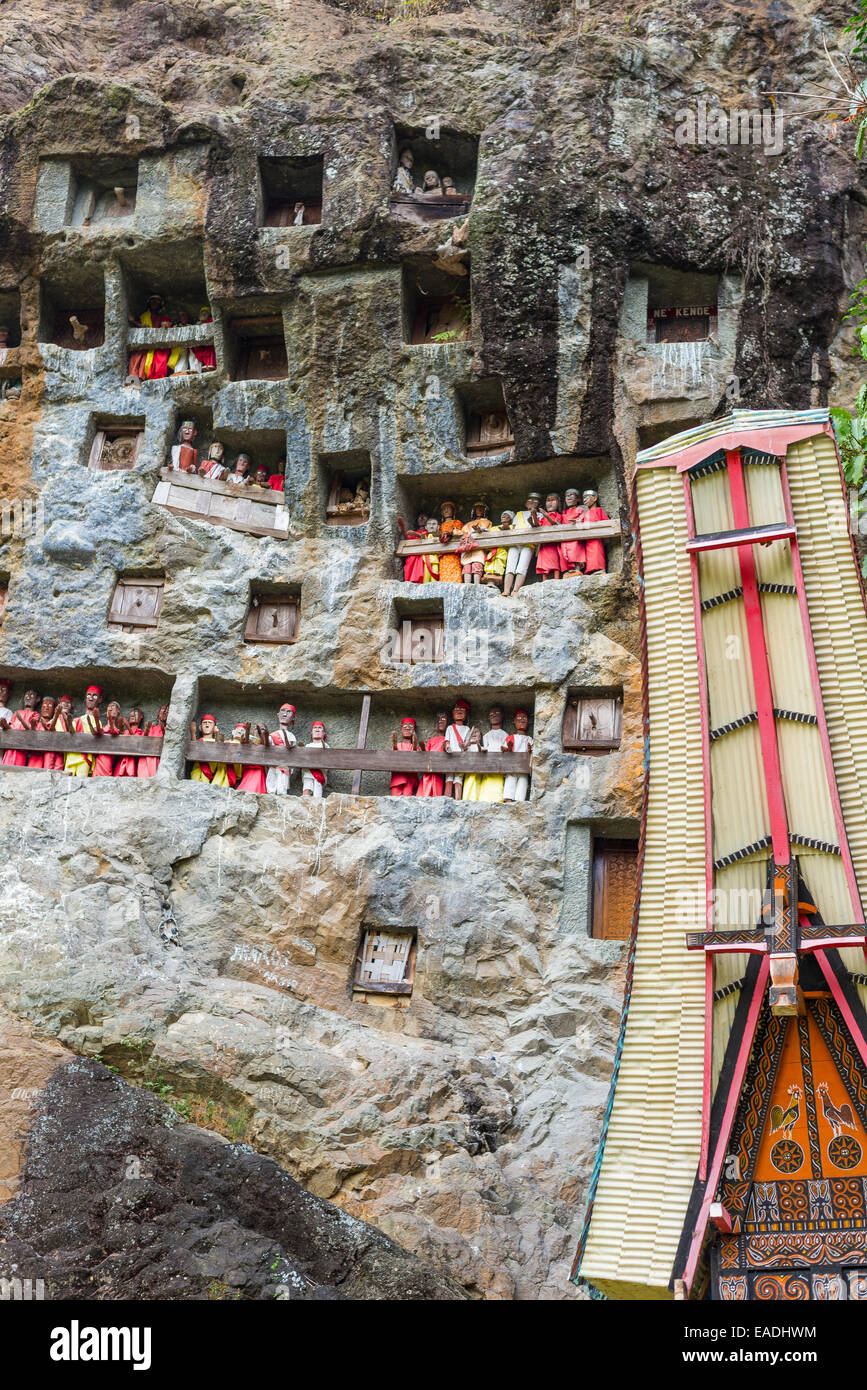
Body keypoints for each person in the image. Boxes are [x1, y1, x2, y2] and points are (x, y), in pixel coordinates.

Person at [503, 493, 542, 596]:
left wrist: (534, 516)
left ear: (539, 504)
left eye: (535, 500)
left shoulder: (540, 514)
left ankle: (515, 590)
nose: (532, 502)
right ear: (525, 503)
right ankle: (506, 589)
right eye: (530, 500)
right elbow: (513, 526)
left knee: (522, 567)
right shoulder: (519, 514)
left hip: (529, 543)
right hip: (515, 541)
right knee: (510, 565)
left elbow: (538, 527)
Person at [65, 685, 102, 777]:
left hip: (85, 756)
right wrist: (69, 722)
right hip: (72, 755)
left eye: (95, 696)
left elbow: (96, 733)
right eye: (88, 696)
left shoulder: (97, 721)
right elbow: (71, 731)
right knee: (66, 781)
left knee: (81, 780)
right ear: (85, 698)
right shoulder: (77, 720)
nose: (91, 698)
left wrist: (92, 722)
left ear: (100, 699)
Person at [190, 714, 234, 788]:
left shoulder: (216, 741)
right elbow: (194, 748)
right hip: (198, 768)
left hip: (210, 769)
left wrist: (217, 735)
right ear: (200, 727)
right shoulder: (200, 741)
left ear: (214, 728)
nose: (207, 725)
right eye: (204, 723)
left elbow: (219, 748)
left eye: (210, 723)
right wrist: (193, 733)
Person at [0, 688, 39, 766]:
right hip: (11, 746)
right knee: (6, 765)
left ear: (37, 699)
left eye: (31, 696)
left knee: (17, 766)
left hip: (22, 747)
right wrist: (4, 724)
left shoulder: (35, 714)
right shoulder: (17, 712)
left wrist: (21, 719)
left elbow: (30, 729)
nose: (28, 698)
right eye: (26, 696)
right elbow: (11, 728)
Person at [266, 703, 297, 795]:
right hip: (272, 765)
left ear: (293, 717)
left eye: (288, 712)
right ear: (278, 715)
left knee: (282, 789)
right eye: (282, 711)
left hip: (284, 767)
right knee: (270, 788)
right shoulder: (272, 735)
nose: (284, 714)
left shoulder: (292, 736)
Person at [458, 502, 492, 585]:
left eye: (482, 508)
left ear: (485, 511)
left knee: (477, 564)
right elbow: (462, 533)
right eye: (477, 508)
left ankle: (477, 585)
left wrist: (480, 531)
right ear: (473, 510)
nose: (479, 510)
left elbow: (490, 533)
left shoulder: (488, 522)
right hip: (468, 547)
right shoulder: (468, 524)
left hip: (479, 546)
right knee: (466, 566)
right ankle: (467, 585)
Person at [444, 698, 471, 800]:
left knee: (458, 778)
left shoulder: (467, 729)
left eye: (462, 710)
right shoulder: (450, 728)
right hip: (450, 756)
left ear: (466, 714)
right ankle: (447, 797)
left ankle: (458, 799)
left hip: (461, 756)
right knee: (449, 777)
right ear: (453, 713)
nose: (459, 712)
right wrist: (447, 747)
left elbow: (468, 743)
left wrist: (465, 746)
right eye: (457, 710)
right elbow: (447, 741)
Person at [504, 709, 533, 802]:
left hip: (524, 769)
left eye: (525, 718)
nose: (522, 720)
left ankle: (519, 806)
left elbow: (532, 753)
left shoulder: (529, 739)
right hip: (511, 768)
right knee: (509, 788)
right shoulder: (510, 737)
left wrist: (529, 751)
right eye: (519, 718)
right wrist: (508, 748)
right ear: (514, 721)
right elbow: (504, 751)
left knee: (521, 790)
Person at [417, 711, 448, 797]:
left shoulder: (447, 740)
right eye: (438, 719)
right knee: (424, 789)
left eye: (443, 719)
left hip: (439, 770)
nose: (440, 721)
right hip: (428, 770)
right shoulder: (431, 740)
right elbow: (426, 752)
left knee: (436, 789)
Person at [535, 492, 563, 581]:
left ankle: (557, 579)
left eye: (553, 500)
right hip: (544, 544)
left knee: (555, 562)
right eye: (548, 500)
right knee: (543, 564)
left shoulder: (558, 515)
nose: (550, 503)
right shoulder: (542, 518)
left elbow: (556, 524)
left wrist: (547, 516)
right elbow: (537, 526)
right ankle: (544, 581)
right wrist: (534, 516)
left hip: (554, 544)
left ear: (558, 503)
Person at [92, 700, 125, 777]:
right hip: (98, 761)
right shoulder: (102, 728)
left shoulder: (118, 729)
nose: (110, 709)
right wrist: (96, 720)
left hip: (107, 760)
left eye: (113, 707)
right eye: (109, 707)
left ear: (118, 711)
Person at [580, 488, 610, 574]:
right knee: (589, 555)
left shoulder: (599, 510)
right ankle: (592, 570)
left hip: (597, 538)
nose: (584, 500)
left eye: (587, 497)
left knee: (597, 552)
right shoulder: (585, 514)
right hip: (588, 539)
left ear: (595, 498)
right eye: (583, 498)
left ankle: (600, 568)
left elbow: (606, 521)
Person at [390, 716, 420, 796]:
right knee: (394, 798)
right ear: (401, 729)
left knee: (407, 798)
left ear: (414, 730)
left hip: (410, 779)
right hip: (397, 778)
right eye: (405, 726)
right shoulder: (397, 746)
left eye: (410, 726)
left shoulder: (415, 748)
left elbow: (418, 760)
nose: (407, 728)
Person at [559, 488, 586, 577]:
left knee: (575, 550)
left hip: (576, 535)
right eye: (567, 496)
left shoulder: (580, 509)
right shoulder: (564, 512)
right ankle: (570, 570)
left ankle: (577, 569)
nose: (568, 497)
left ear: (578, 499)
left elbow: (583, 519)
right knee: (564, 551)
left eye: (571, 495)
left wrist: (578, 521)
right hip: (565, 536)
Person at [237, 724, 270, 794]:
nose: (258, 731)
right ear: (252, 731)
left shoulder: (267, 743)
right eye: (256, 729)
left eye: (262, 729)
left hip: (259, 770)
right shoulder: (248, 740)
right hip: (248, 770)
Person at [482, 511, 512, 588]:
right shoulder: (494, 528)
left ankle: (494, 582)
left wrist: (507, 529)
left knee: (499, 565)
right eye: (502, 515)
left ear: (511, 518)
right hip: (492, 550)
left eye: (506, 515)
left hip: (502, 551)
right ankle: (489, 581)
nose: (503, 516)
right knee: (489, 565)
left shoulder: (512, 527)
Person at [26, 696, 56, 770]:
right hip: (35, 758)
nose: (46, 708)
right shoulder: (36, 724)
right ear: (41, 708)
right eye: (44, 706)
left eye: (50, 706)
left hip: (49, 758)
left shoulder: (55, 724)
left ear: (54, 710)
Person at [137, 705, 168, 778]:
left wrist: (163, 730)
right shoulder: (151, 728)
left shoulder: (169, 731)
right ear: (158, 714)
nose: (164, 712)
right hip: (145, 758)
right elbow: (142, 741)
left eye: (167, 711)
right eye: (163, 710)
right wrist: (146, 731)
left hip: (159, 759)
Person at [397, 514, 429, 583]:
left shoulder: (429, 532)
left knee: (419, 559)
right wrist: (403, 529)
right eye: (420, 517)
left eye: (424, 517)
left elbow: (426, 538)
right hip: (412, 553)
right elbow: (407, 540)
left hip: (423, 554)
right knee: (411, 559)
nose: (422, 518)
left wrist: (416, 534)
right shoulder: (415, 532)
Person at [438, 501, 464, 583]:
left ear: (453, 511)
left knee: (454, 571)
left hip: (454, 552)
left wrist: (451, 533)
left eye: (448, 509)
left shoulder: (457, 522)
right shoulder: (440, 526)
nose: (446, 511)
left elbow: (459, 533)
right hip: (443, 553)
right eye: (444, 510)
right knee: (443, 573)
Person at [115, 707, 145, 777]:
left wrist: (127, 726)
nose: (132, 716)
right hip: (121, 762)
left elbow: (135, 743)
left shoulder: (141, 733)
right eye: (131, 715)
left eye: (135, 714)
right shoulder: (125, 732)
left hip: (133, 763)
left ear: (141, 717)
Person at [302, 720, 328, 798]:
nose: (317, 730)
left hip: (319, 774)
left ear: (324, 733)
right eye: (315, 728)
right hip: (308, 772)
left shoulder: (326, 746)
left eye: (320, 728)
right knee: (306, 791)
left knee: (317, 793)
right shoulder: (307, 746)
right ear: (311, 732)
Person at [49, 696, 74, 773]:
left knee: (59, 769)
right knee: (48, 768)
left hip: (63, 750)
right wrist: (57, 715)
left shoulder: (73, 721)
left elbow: (71, 732)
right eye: (63, 702)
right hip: (51, 748)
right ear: (58, 705)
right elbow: (50, 728)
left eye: (68, 703)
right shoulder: (53, 719)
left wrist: (65, 718)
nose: (66, 705)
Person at [193, 307, 217, 372]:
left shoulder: (211, 320)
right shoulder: (198, 323)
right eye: (202, 313)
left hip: (210, 343)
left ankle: (211, 365)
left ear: (209, 314)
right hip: (203, 345)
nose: (203, 314)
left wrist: (204, 322)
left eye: (205, 313)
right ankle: (205, 366)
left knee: (211, 352)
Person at [421, 516, 441, 583]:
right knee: (425, 580)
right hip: (425, 561)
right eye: (429, 524)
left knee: (434, 580)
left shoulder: (441, 536)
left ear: (438, 527)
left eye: (434, 524)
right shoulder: (424, 536)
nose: (431, 526)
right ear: (426, 527)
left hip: (436, 560)